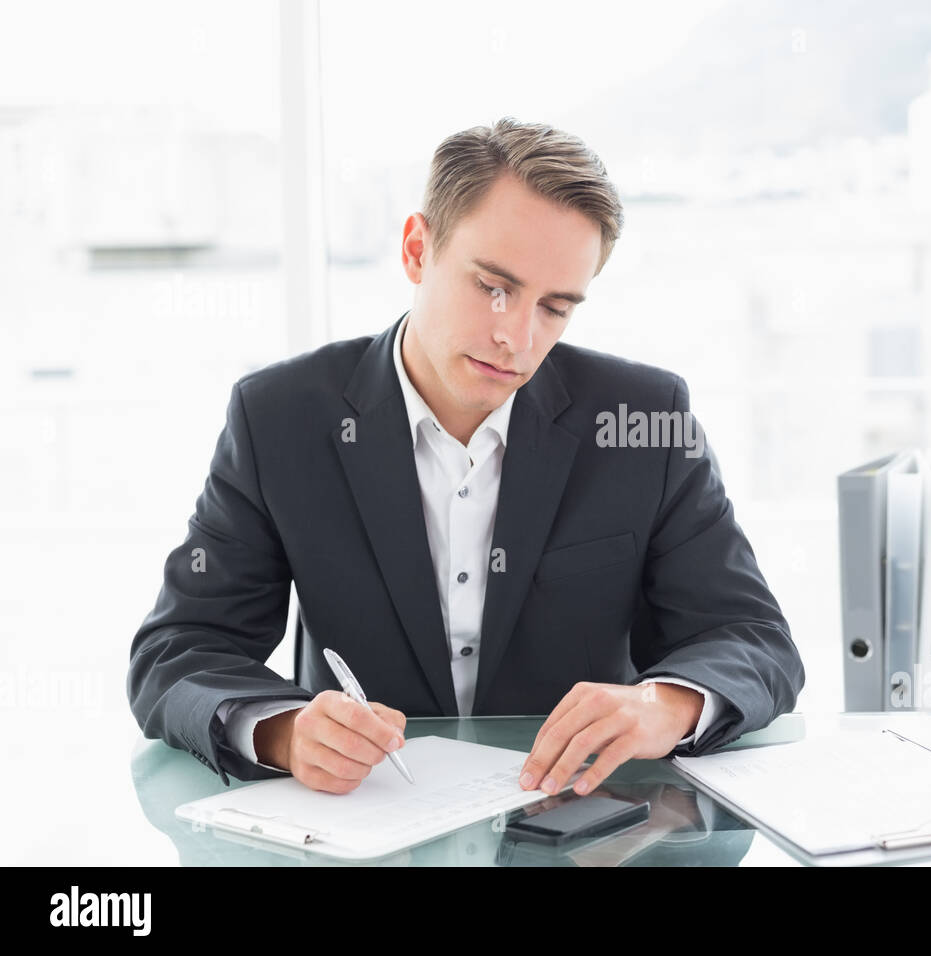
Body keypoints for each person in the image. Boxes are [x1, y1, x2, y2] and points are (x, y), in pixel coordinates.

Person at [127, 117, 804, 796]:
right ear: (418, 250)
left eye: (555, 307)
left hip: (581, 828)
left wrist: (664, 705)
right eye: (492, 287)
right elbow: (178, 650)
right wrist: (283, 731)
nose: (516, 336)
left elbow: (753, 639)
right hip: (369, 826)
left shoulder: (644, 418)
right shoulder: (280, 418)